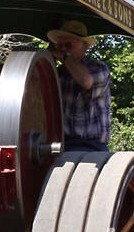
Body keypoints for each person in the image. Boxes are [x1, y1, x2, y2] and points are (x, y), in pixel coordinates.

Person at [47, 18, 111, 152]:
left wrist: (64, 57)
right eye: (60, 45)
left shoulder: (99, 69)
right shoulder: (58, 74)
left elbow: (86, 82)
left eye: (69, 45)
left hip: (90, 147)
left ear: (85, 46)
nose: (63, 49)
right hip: (60, 146)